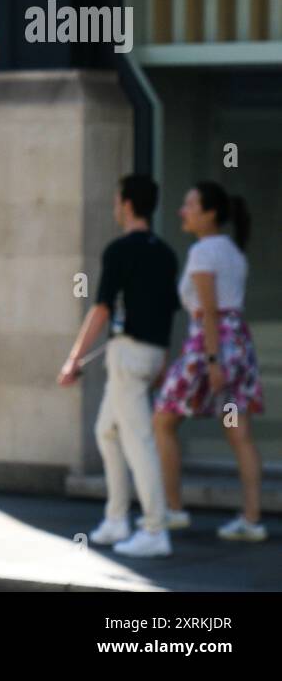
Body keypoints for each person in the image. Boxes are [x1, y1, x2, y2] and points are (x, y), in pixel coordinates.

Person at [59, 174, 180, 558]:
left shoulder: (118, 251)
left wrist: (73, 359)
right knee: (107, 431)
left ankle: (155, 528)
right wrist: (163, 359)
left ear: (127, 204)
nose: (115, 206)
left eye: (116, 200)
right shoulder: (165, 252)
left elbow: (101, 309)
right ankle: (116, 519)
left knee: (138, 440)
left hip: (128, 356)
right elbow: (167, 313)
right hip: (145, 354)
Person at [152, 182, 266, 542]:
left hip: (210, 345)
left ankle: (173, 510)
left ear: (209, 212)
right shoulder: (232, 250)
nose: (181, 211)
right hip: (238, 345)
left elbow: (210, 313)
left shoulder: (204, 252)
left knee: (163, 420)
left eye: (189, 205)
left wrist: (213, 360)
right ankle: (251, 519)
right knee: (239, 433)